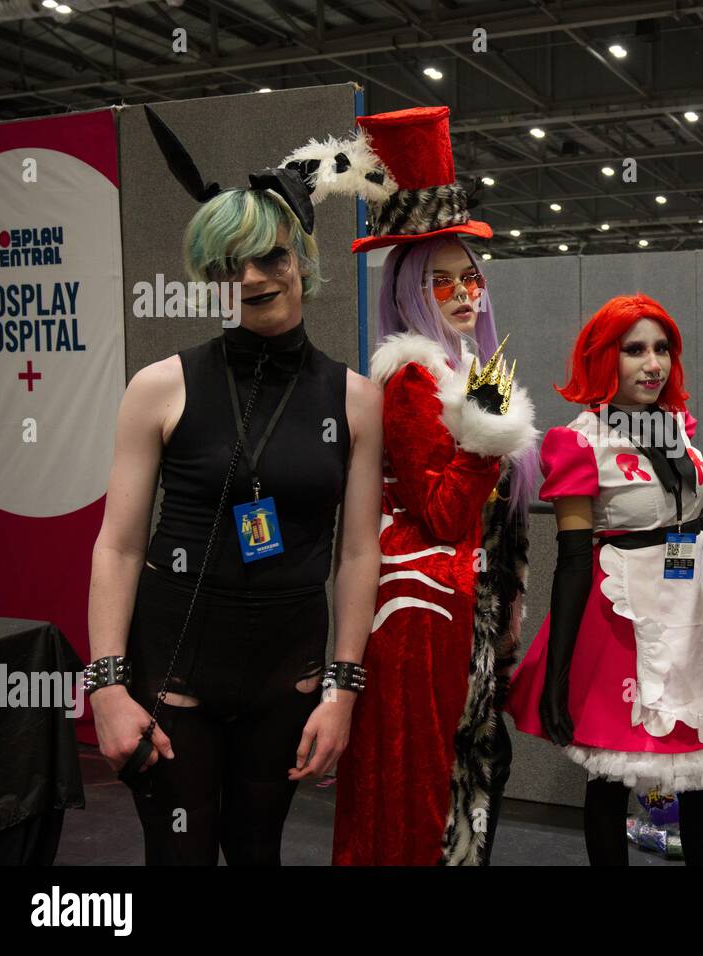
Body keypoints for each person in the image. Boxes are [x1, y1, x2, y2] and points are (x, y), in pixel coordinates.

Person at [86, 108, 383, 865]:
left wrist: (343, 689)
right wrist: (108, 688)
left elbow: (356, 556)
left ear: (302, 262)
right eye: (227, 267)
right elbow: (119, 547)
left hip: (289, 673)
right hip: (175, 666)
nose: (250, 279)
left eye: (269, 258)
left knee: (259, 853)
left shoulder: (354, 400)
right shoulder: (159, 387)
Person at [293, 106, 541, 866]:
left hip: (466, 605)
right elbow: (439, 512)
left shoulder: (461, 368)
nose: (466, 295)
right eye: (444, 283)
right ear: (410, 287)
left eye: (471, 278)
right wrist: (482, 443)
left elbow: (491, 516)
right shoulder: (412, 373)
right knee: (421, 792)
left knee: (462, 783)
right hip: (423, 611)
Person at [505, 293, 703, 866]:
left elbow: (684, 513)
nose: (653, 363)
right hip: (619, 623)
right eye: (635, 350)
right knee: (612, 778)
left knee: (700, 774)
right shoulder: (580, 441)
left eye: (662, 349)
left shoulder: (677, 427)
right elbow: (575, 559)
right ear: (605, 358)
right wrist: (557, 673)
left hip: (692, 614)